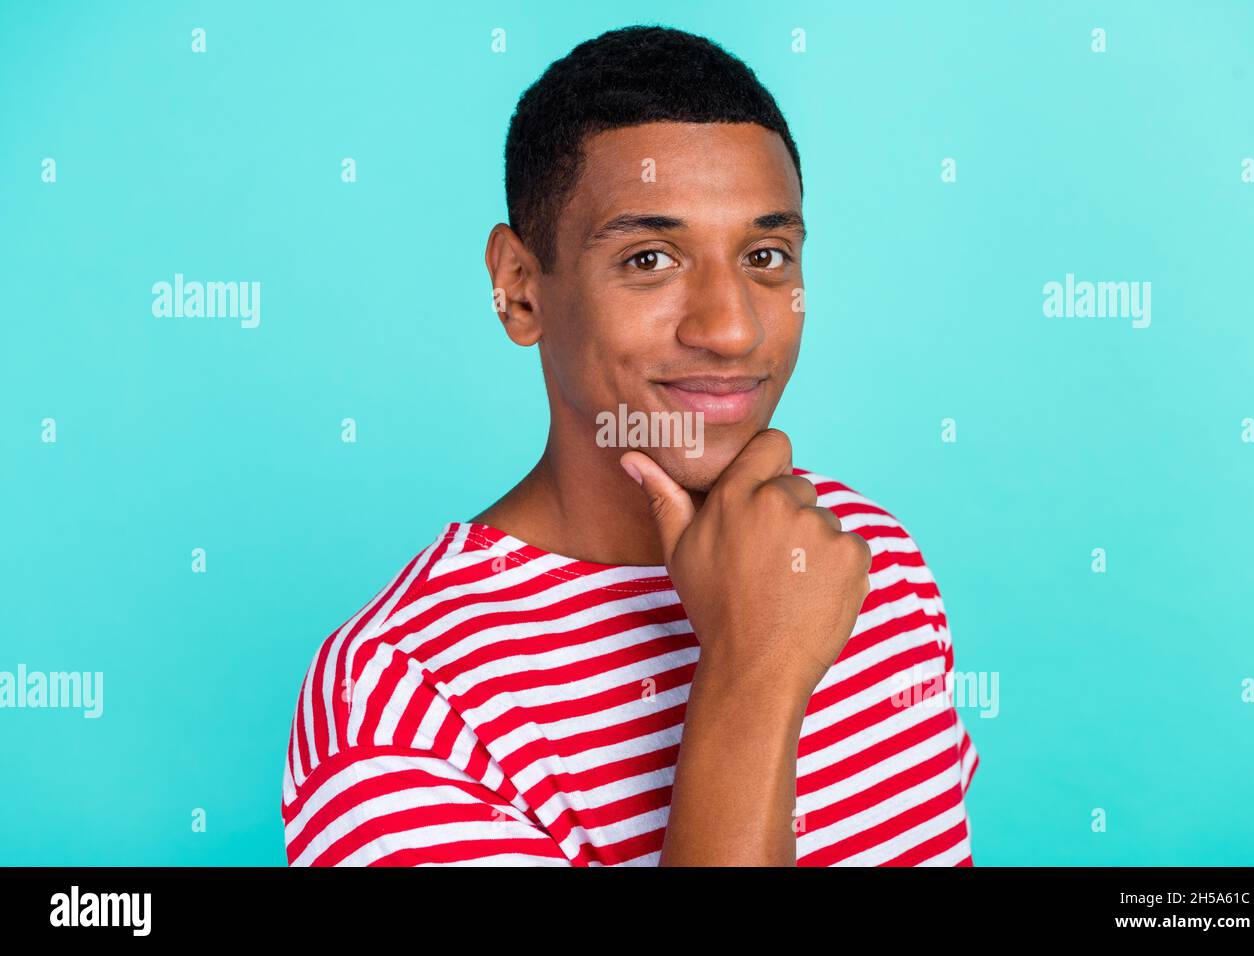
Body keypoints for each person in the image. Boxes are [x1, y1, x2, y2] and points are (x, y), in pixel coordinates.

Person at [281, 24, 978, 866]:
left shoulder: (867, 554)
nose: (730, 328)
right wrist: (755, 675)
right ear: (519, 289)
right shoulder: (399, 702)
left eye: (765, 255)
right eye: (650, 258)